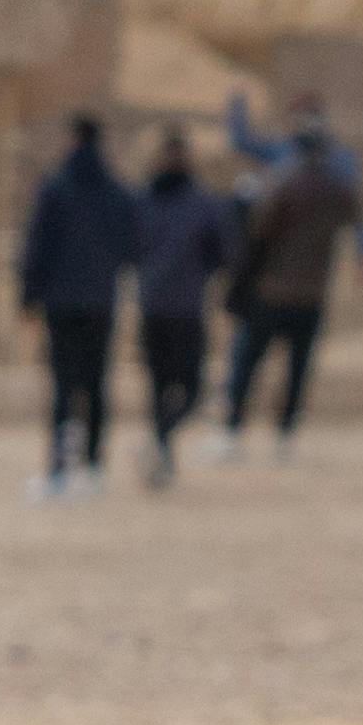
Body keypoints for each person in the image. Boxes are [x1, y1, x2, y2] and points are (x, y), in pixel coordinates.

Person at [220, 105, 359, 451]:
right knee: (297, 368)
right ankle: (285, 433)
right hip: (312, 293)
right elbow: (354, 219)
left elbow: (258, 227)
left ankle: (234, 428)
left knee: (249, 362)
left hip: (274, 289)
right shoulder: (337, 189)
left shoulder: (285, 183)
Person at [17, 115, 138, 501]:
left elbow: (37, 247)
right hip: (100, 300)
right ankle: (92, 466)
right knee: (96, 385)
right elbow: (132, 245)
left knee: (64, 385)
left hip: (61, 302)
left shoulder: (56, 189)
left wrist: (29, 295)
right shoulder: (115, 191)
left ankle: (59, 467)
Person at [126, 136, 238, 492]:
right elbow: (225, 253)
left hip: (156, 305)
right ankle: (161, 446)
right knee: (188, 388)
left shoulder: (145, 202)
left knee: (164, 387)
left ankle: (159, 445)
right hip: (184, 308)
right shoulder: (202, 205)